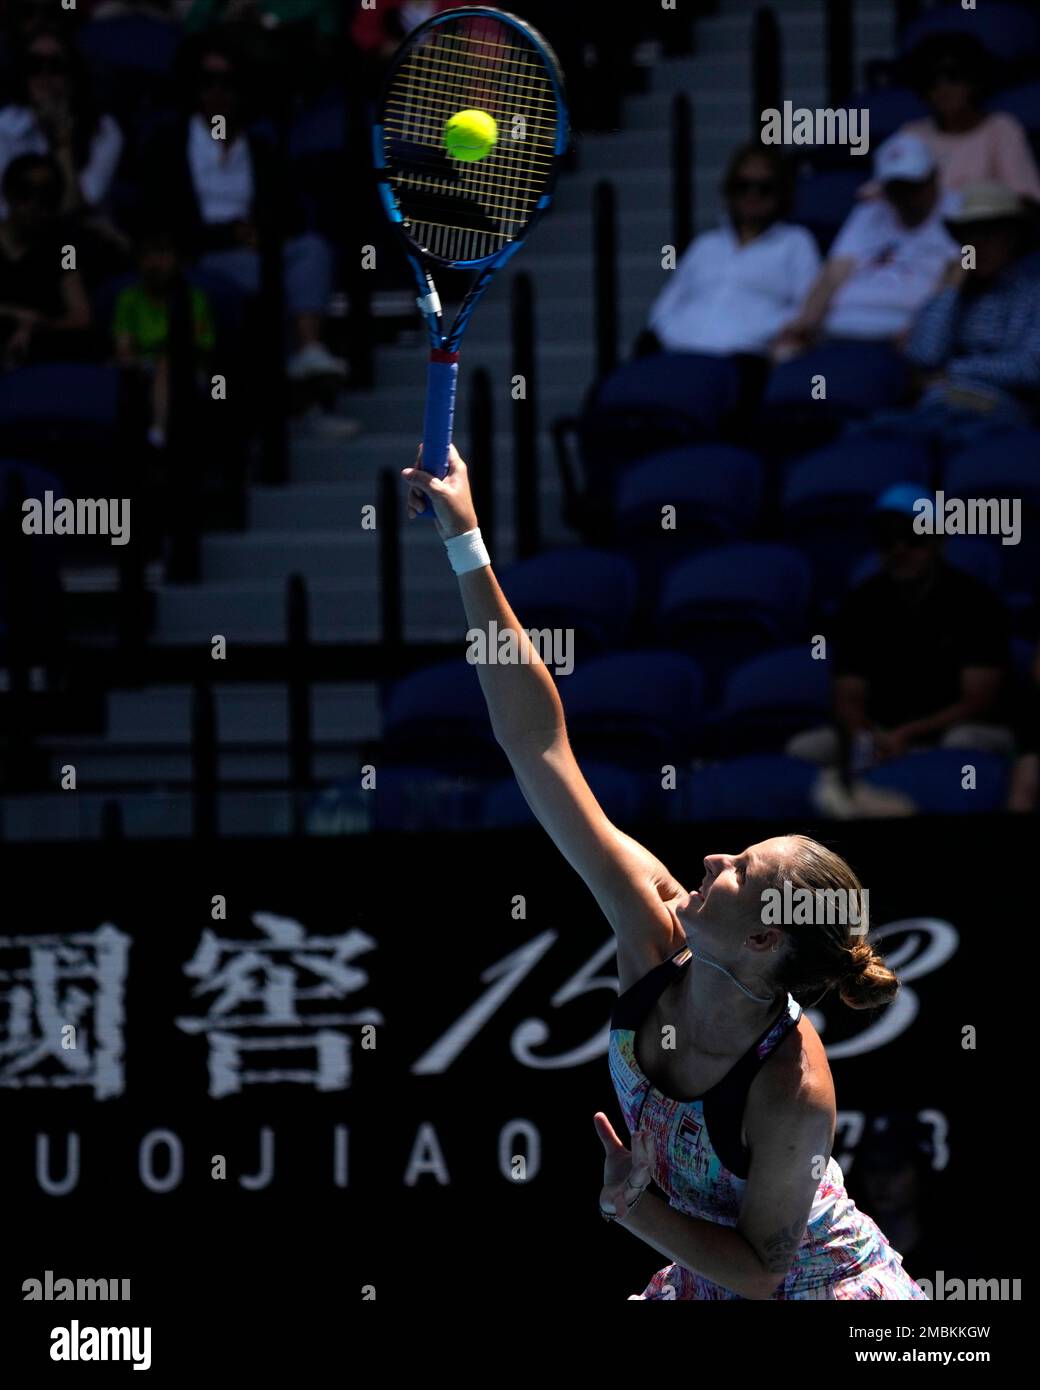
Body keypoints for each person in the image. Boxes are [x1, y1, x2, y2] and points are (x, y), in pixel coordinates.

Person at [399, 441, 928, 1300]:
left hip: (823, 1292)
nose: (711, 859)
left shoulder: (793, 1088)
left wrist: (634, 1209)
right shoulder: (651, 925)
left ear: (762, 936)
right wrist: (467, 543)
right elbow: (538, 744)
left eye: (738, 869)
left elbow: (764, 1274)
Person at [143, 35, 350, 398]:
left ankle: (309, 349)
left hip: (263, 246)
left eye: (229, 83)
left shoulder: (260, 147)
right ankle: (292, 390)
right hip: (205, 255)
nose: (218, 93)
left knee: (313, 250)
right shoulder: (169, 146)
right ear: (194, 87)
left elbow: (290, 211)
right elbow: (163, 220)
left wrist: (262, 233)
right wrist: (230, 236)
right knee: (265, 274)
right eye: (208, 82)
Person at [788, 483, 1012, 772]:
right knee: (806, 749)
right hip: (880, 733)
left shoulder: (977, 602)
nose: (899, 548)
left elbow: (978, 702)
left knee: (963, 742)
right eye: (886, 538)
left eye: (912, 535)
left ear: (939, 540)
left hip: (956, 730)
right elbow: (848, 697)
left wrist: (907, 734)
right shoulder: (860, 603)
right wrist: (871, 737)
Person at [640, 144, 820, 392]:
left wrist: (766, 334)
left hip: (743, 362)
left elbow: (807, 307)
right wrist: (672, 335)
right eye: (742, 185)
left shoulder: (796, 242)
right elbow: (666, 305)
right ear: (730, 189)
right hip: (676, 355)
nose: (752, 195)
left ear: (781, 192)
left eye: (764, 187)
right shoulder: (705, 243)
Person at [771, 133, 956, 359]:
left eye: (912, 185)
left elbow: (954, 279)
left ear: (933, 177)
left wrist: (925, 328)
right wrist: (803, 324)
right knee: (783, 352)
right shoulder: (868, 213)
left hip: (902, 332)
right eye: (895, 187)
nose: (904, 195)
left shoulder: (957, 211)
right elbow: (833, 274)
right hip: (839, 329)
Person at [900, 181, 1040, 437]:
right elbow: (924, 356)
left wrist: (952, 370)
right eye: (972, 234)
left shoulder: (1032, 295)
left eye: (992, 233)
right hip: (935, 409)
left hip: (998, 413)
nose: (980, 244)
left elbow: (1031, 368)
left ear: (1012, 238)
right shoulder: (952, 293)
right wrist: (952, 289)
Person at [0, 24, 124, 220]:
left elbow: (74, 208)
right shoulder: (4, 126)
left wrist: (62, 139)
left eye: (56, 65)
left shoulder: (104, 129)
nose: (45, 76)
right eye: (34, 65)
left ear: (72, 72)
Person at [899, 33, 1040, 203]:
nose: (943, 88)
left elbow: (1026, 198)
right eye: (931, 79)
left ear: (975, 79)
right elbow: (882, 194)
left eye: (954, 75)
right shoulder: (912, 133)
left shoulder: (1002, 129)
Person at [112, 227, 216, 449]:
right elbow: (123, 348)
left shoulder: (193, 299)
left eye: (162, 254)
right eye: (147, 255)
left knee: (166, 362)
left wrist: (168, 355)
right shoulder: (129, 299)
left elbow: (202, 346)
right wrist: (135, 360)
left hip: (189, 369)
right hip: (140, 368)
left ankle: (159, 431)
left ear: (176, 260)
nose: (154, 263)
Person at [0, 153, 91, 369]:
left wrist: (39, 325)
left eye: (46, 196)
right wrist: (13, 316)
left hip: (41, 350)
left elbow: (82, 316)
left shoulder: (66, 249)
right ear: (8, 193)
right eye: (25, 192)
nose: (35, 204)